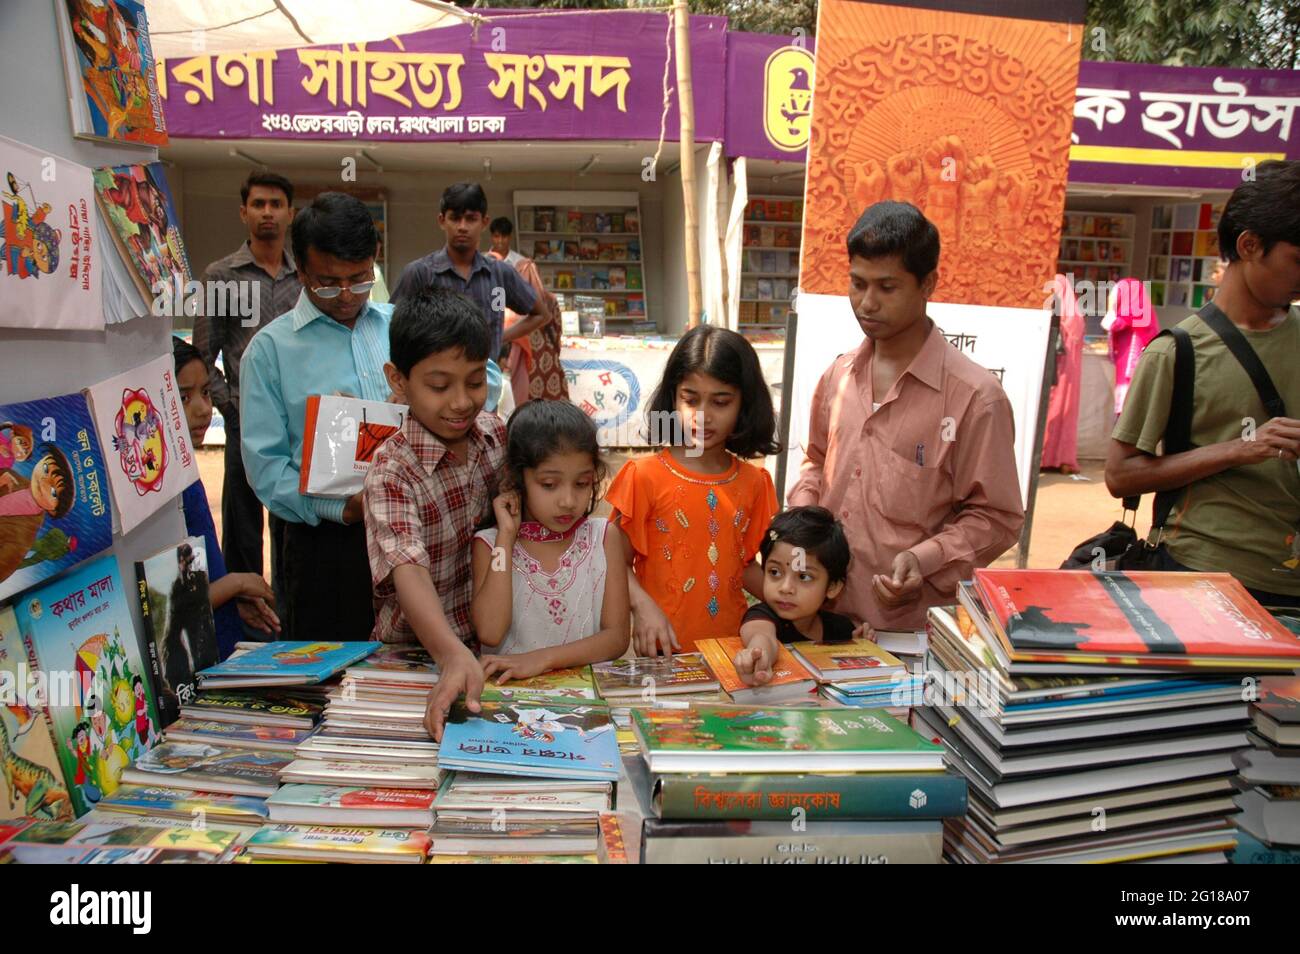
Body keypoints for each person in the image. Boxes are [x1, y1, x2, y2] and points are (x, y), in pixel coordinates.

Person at [788, 200, 1023, 632]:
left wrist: (925, 559)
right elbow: (816, 461)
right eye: (857, 284)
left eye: (887, 287)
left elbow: (997, 518)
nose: (867, 303)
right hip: (818, 624)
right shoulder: (838, 376)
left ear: (928, 284)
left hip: (908, 634)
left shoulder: (975, 399)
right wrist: (803, 521)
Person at [1105, 160, 1300, 608]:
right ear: (1250, 245)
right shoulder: (1176, 352)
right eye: (1298, 260)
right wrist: (1241, 448)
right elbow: (1119, 475)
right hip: (1202, 578)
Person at [240, 192, 390, 640]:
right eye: (327, 283)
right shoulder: (269, 351)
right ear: (300, 270)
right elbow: (266, 468)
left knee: (410, 662)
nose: (346, 296)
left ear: (374, 261)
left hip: (408, 527)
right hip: (327, 543)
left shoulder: (398, 328)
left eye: (360, 280)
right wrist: (340, 509)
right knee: (332, 664)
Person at [363, 290, 505, 741]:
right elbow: (410, 570)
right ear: (398, 381)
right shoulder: (392, 471)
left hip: (491, 650)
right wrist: (450, 654)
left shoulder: (497, 437)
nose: (462, 402)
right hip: (417, 655)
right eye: (440, 387)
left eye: (475, 381)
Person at [606, 325, 780, 655]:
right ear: (673, 397)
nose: (703, 416)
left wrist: (801, 601)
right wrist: (642, 607)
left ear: (744, 404)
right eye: (690, 399)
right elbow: (611, 559)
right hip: (662, 653)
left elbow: (744, 566)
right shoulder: (643, 477)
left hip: (735, 654)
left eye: (721, 401)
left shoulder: (754, 483)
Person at [192, 172, 300, 583]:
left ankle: (289, 621)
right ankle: (244, 627)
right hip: (244, 422)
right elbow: (204, 355)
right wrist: (232, 407)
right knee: (242, 528)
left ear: (290, 213)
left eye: (276, 204)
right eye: (258, 204)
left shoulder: (303, 277)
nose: (267, 212)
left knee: (292, 523)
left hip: (297, 420)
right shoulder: (222, 276)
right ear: (243, 213)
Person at [472, 400, 629, 682]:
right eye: (549, 484)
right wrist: (506, 537)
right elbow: (490, 631)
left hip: (585, 709)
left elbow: (616, 638)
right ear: (516, 478)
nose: (568, 501)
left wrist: (541, 659)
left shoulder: (603, 538)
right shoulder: (491, 546)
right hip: (510, 708)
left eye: (581, 484)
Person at [172, 337, 279, 658]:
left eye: (205, 392)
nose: (204, 409)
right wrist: (233, 585)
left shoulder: (184, 472)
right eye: (182, 397)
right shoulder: (160, 494)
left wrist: (227, 599)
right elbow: (166, 603)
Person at [390, 183, 553, 367]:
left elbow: (541, 314)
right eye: (455, 218)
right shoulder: (420, 273)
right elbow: (392, 327)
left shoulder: (499, 274)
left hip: (485, 381)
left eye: (471, 219)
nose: (462, 227)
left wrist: (497, 338)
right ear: (442, 220)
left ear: (484, 222)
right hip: (435, 383)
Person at [733, 506, 857, 686]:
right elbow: (763, 636)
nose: (785, 588)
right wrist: (758, 654)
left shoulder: (841, 628)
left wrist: (862, 644)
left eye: (804, 577)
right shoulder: (761, 615)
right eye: (775, 572)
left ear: (832, 587)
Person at [487, 216, 569, 406]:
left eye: (504, 237)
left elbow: (534, 298)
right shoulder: (483, 261)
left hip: (517, 328)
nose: (500, 241)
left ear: (509, 237)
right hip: (493, 324)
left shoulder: (522, 264)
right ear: (491, 237)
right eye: (496, 237)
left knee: (514, 380)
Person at [1040, 274, 1084, 473]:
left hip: (1059, 367)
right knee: (1061, 410)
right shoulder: (1073, 316)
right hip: (1065, 369)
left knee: (1052, 409)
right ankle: (1058, 458)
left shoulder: (1061, 314)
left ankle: (1045, 457)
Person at [1102, 277, 1159, 417]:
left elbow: (1111, 324)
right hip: (1130, 359)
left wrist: (1110, 307)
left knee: (1127, 401)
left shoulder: (1133, 312)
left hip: (1130, 361)